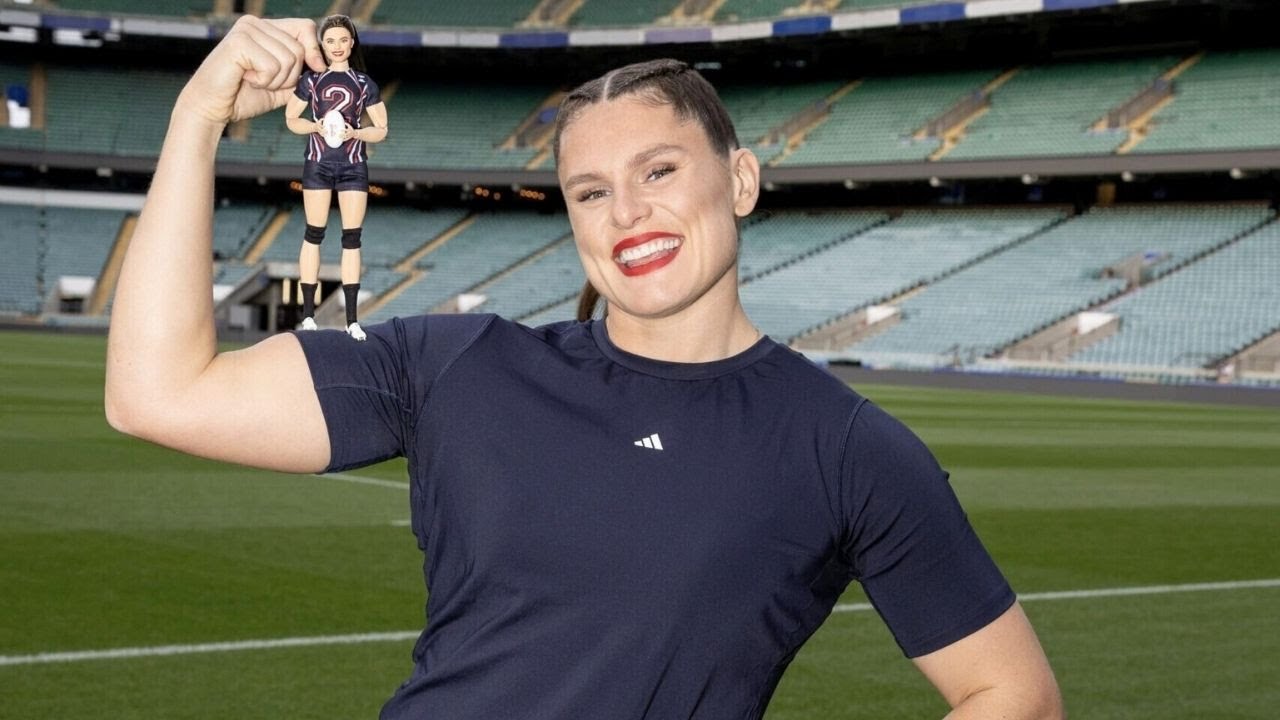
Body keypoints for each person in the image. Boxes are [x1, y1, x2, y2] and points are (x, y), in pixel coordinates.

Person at [105, 15, 1064, 720]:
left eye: (659, 172)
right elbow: (158, 395)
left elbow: (1012, 695)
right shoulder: (462, 365)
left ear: (738, 180)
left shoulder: (844, 445)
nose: (627, 215)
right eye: (591, 191)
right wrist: (197, 117)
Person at [283, 14, 387, 341]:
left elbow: (381, 129)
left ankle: (352, 320)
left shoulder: (364, 84)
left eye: (343, 40)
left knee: (351, 238)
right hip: (317, 163)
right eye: (330, 41)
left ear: (351, 43)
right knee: (314, 233)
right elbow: (291, 117)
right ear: (322, 46)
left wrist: (355, 131)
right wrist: (315, 126)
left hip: (354, 166)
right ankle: (309, 315)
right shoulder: (312, 82)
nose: (337, 46)